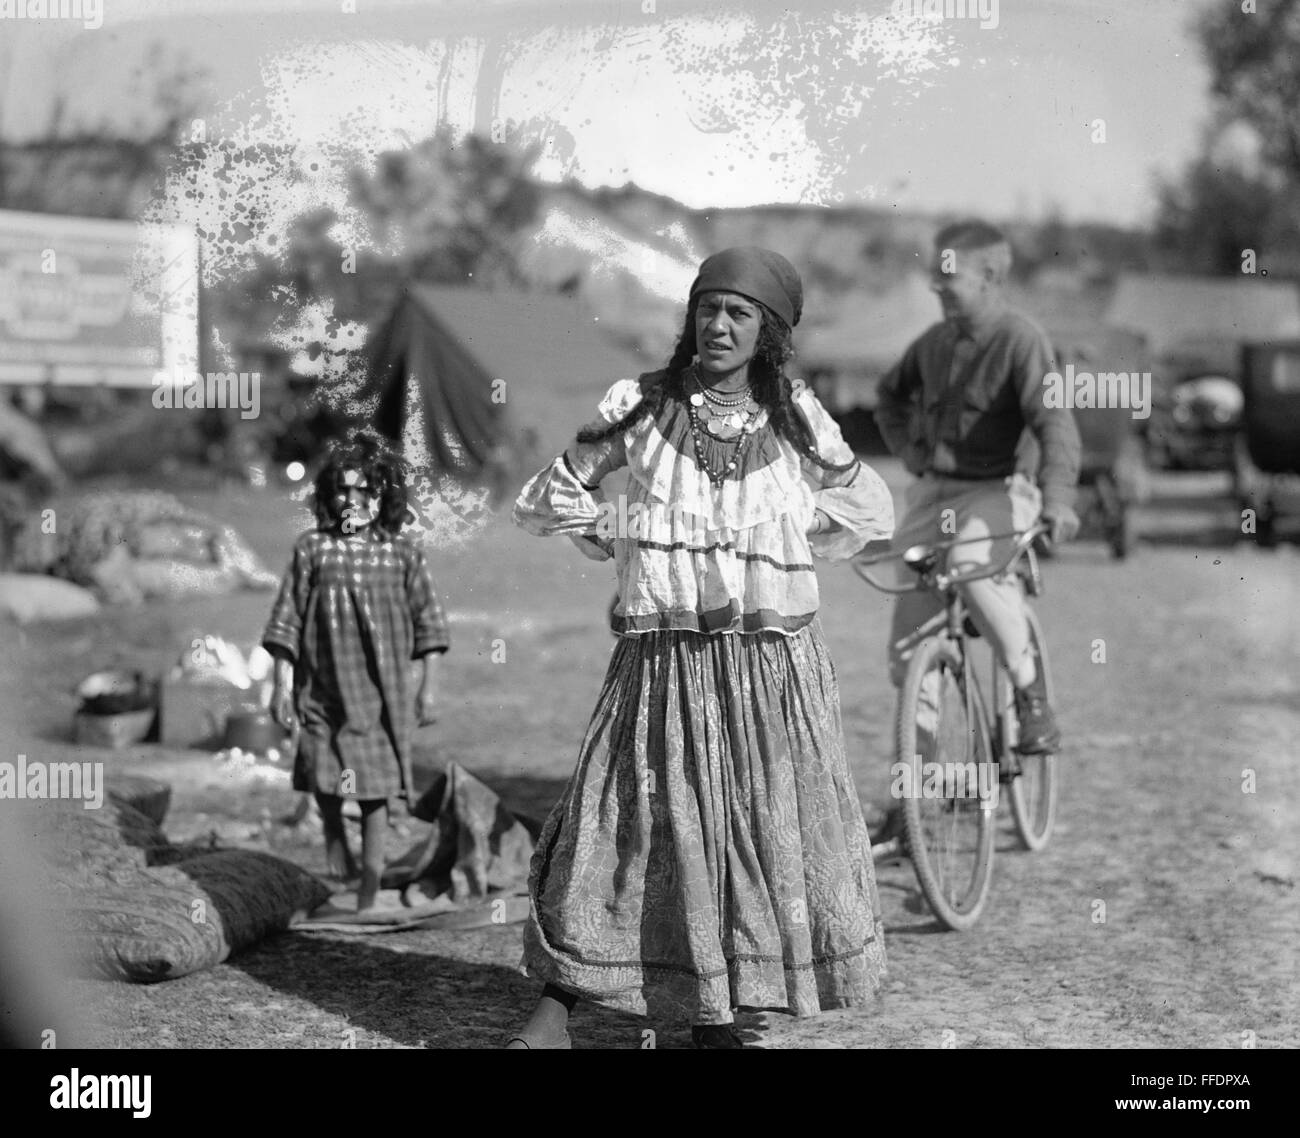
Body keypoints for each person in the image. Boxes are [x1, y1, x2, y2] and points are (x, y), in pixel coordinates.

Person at [508, 247, 895, 1048]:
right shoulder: (640, 404)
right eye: (707, 307)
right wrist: (613, 536)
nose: (717, 325)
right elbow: (555, 491)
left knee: (754, 830)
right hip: (662, 660)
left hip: (770, 668)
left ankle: (717, 1014)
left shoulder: (796, 417)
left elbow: (868, 507)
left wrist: (785, 543)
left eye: (739, 313)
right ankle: (555, 1012)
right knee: (623, 820)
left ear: (770, 332)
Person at [873, 220, 1081, 768]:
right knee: (908, 647)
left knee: (970, 565)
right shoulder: (933, 344)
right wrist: (911, 451)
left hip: (998, 491)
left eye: (949, 277)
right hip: (934, 496)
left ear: (989, 276)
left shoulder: (1021, 339)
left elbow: (1054, 422)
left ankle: (1030, 692)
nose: (937, 289)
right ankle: (916, 793)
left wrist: (1058, 498)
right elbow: (889, 398)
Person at [264, 437, 449, 912]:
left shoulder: (402, 553)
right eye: (345, 491)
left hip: (380, 695)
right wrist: (280, 683)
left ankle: (369, 885)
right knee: (324, 775)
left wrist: (429, 686)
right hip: (321, 687)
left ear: (385, 497)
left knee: (375, 791)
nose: (355, 501)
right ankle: (331, 831)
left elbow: (429, 619)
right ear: (330, 496)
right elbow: (288, 618)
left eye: (367, 491)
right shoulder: (313, 550)